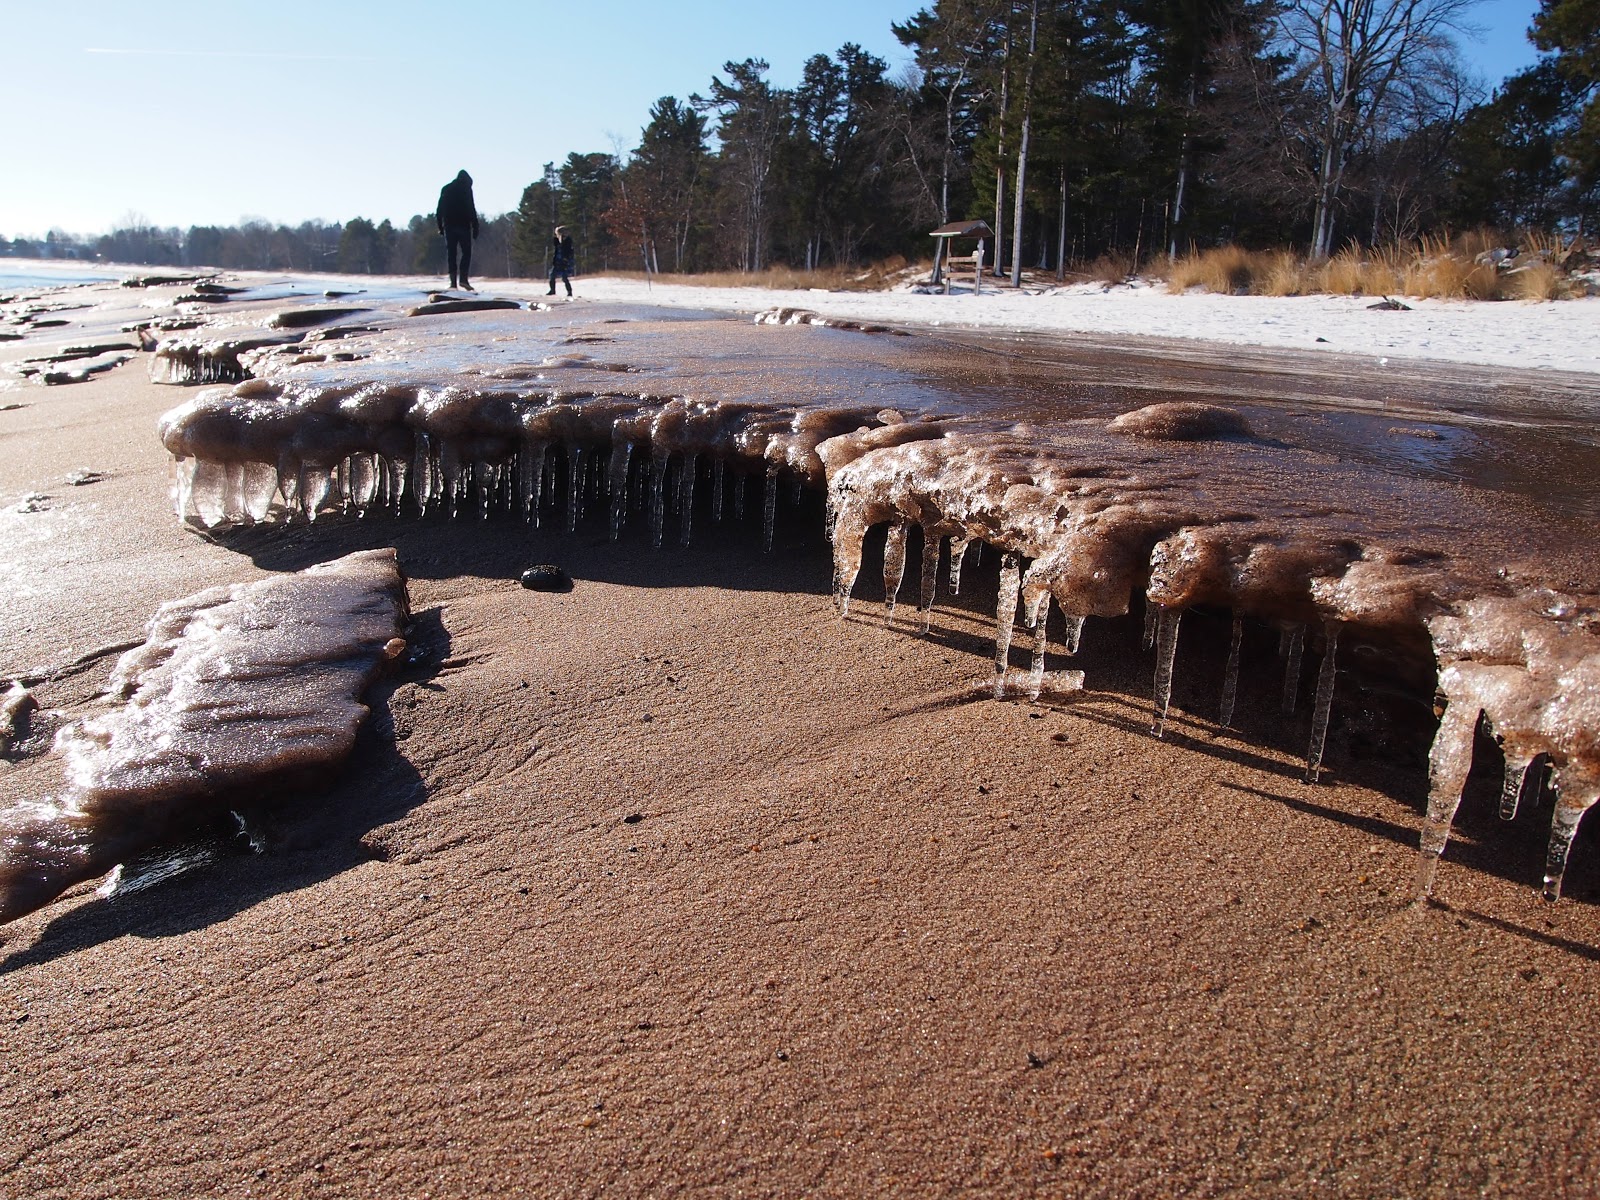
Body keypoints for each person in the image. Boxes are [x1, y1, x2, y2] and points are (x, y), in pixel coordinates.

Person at [436, 170, 481, 291]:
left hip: (449, 227)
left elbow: (439, 210)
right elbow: (471, 208)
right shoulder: (466, 189)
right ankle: (463, 279)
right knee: (466, 253)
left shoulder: (446, 189)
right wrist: (475, 227)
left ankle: (453, 282)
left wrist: (440, 227)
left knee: (452, 254)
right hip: (463, 226)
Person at [547, 226, 575, 297]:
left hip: (564, 261)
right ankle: (552, 290)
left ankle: (569, 292)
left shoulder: (568, 241)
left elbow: (569, 251)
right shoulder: (557, 241)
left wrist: (567, 259)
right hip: (557, 261)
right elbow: (556, 249)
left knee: (564, 277)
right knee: (552, 275)